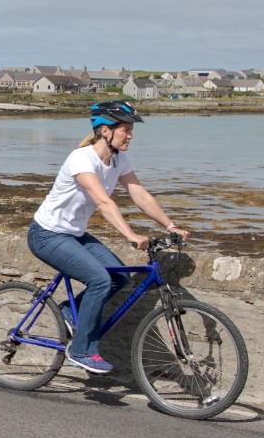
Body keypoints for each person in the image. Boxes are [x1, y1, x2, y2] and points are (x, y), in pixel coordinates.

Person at [27, 101, 186, 375]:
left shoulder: (118, 159)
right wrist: (131, 235)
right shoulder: (81, 159)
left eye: (130, 130)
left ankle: (70, 310)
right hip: (47, 234)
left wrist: (170, 225)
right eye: (126, 129)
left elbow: (139, 193)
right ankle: (81, 350)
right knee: (100, 279)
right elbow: (103, 202)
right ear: (105, 131)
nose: (131, 136)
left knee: (120, 277)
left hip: (74, 234)